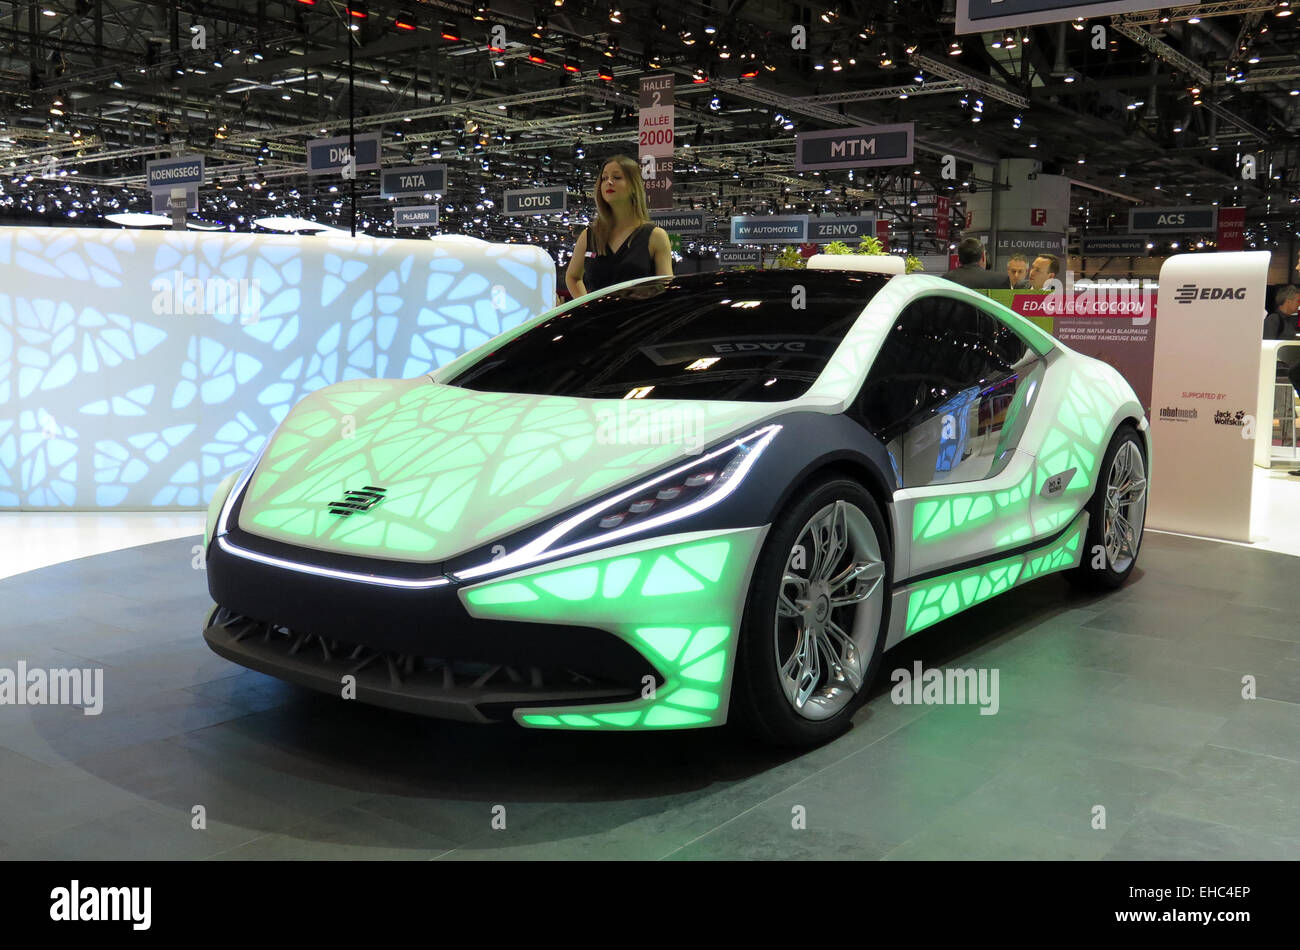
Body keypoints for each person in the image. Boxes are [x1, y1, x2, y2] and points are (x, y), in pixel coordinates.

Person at [565, 154, 673, 298]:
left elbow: (666, 288)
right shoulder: (589, 236)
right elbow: (572, 277)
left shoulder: (655, 236)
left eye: (617, 177)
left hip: (639, 319)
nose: (609, 182)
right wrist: (586, 306)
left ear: (634, 186)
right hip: (598, 319)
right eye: (604, 178)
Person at [1263, 285, 1300, 476]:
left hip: (1286, 375)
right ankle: (1282, 447)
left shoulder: (1290, 322)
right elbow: (1266, 347)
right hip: (1275, 375)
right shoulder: (1273, 320)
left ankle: (1286, 448)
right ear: (1288, 300)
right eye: (1296, 301)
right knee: (1283, 410)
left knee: (1287, 411)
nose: (1298, 305)